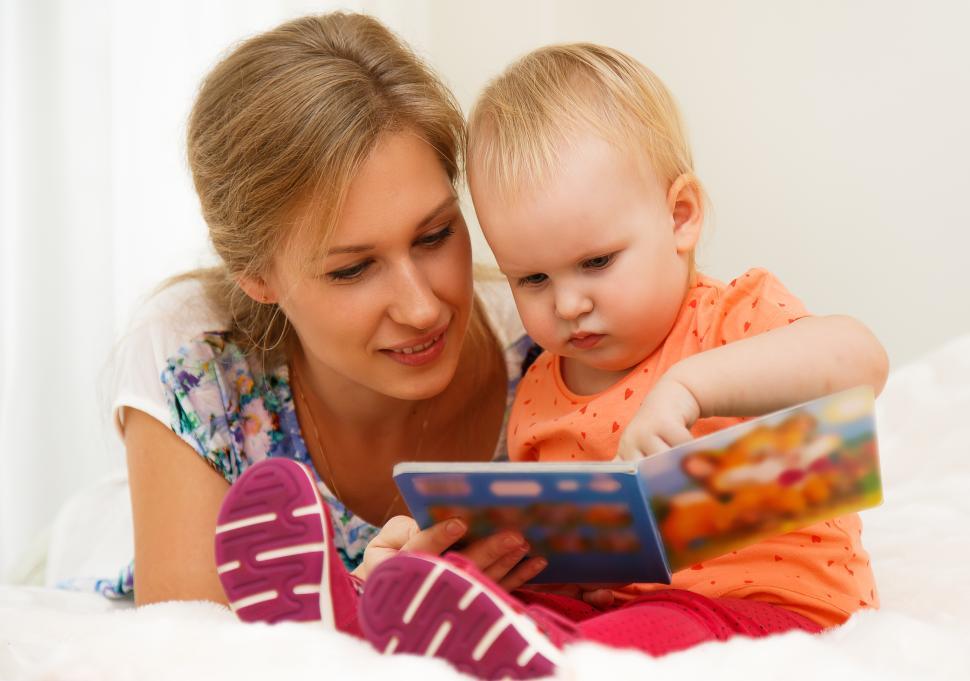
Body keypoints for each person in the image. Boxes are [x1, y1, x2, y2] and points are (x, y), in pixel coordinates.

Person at [346, 42, 889, 677]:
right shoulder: (542, 386)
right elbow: (565, 550)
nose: (569, 304)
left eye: (597, 262)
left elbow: (862, 359)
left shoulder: (734, 317)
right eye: (533, 280)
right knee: (522, 604)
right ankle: (365, 608)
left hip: (778, 612)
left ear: (680, 217)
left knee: (634, 633)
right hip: (620, 612)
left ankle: (524, 646)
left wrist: (691, 387)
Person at [113, 12, 547, 609]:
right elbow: (185, 650)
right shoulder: (195, 355)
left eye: (435, 235)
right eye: (352, 269)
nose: (422, 309)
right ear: (258, 276)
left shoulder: (549, 337)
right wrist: (374, 607)